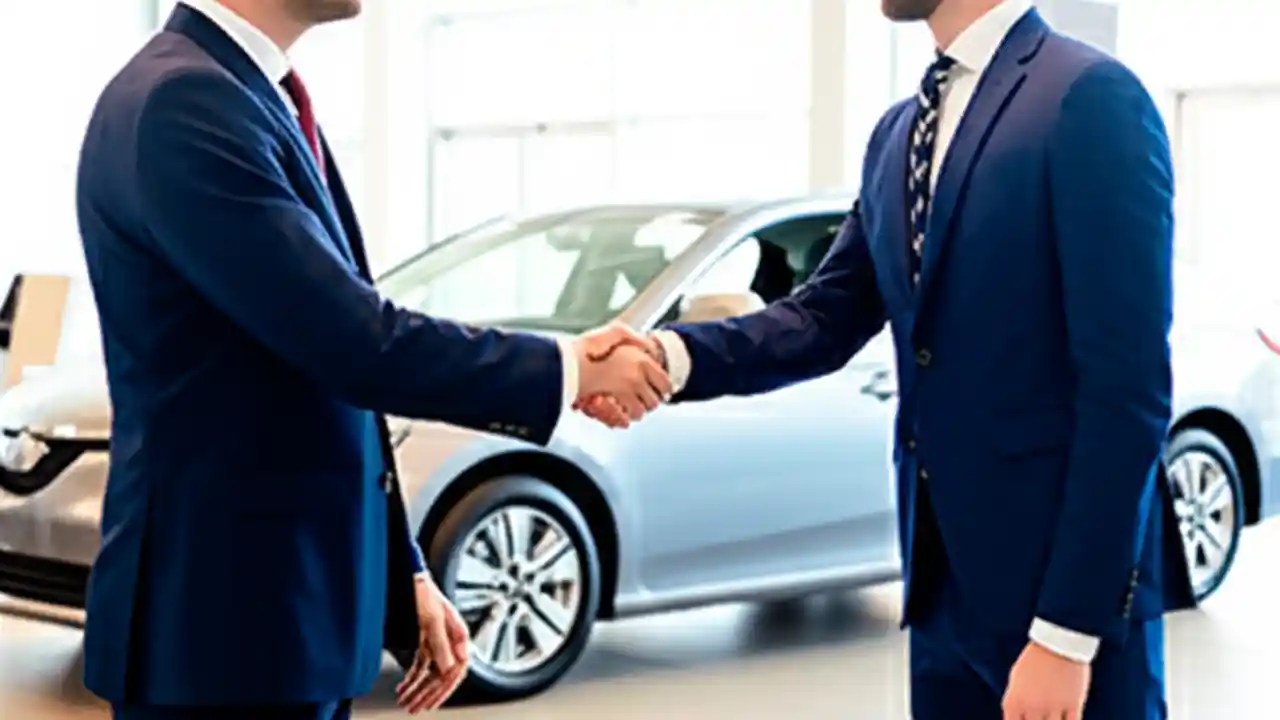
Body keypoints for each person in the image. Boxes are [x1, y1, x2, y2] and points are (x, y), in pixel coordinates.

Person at [582, 0, 1194, 717]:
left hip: (1059, 612)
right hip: (939, 598)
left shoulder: (1088, 98)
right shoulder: (899, 132)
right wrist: (669, 355)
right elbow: (822, 318)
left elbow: (1127, 391)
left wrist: (1067, 632)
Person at [75, 1, 668, 718]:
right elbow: (352, 341)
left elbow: (314, 375)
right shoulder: (185, 102)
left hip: (279, 612)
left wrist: (399, 571)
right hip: (223, 626)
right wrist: (569, 367)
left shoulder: (244, 92)